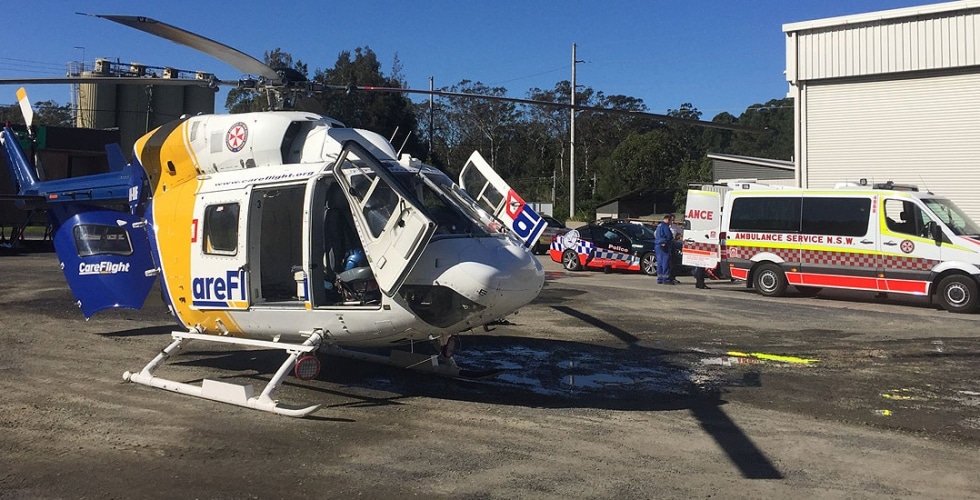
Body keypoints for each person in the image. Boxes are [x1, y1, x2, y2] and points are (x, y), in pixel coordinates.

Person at [654, 214, 674, 284]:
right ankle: (666, 279)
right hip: (664, 245)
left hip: (657, 245)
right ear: (668, 220)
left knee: (659, 263)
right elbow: (669, 236)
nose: (672, 223)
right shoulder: (665, 226)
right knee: (665, 262)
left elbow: (655, 235)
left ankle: (660, 278)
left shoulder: (659, 226)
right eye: (671, 221)